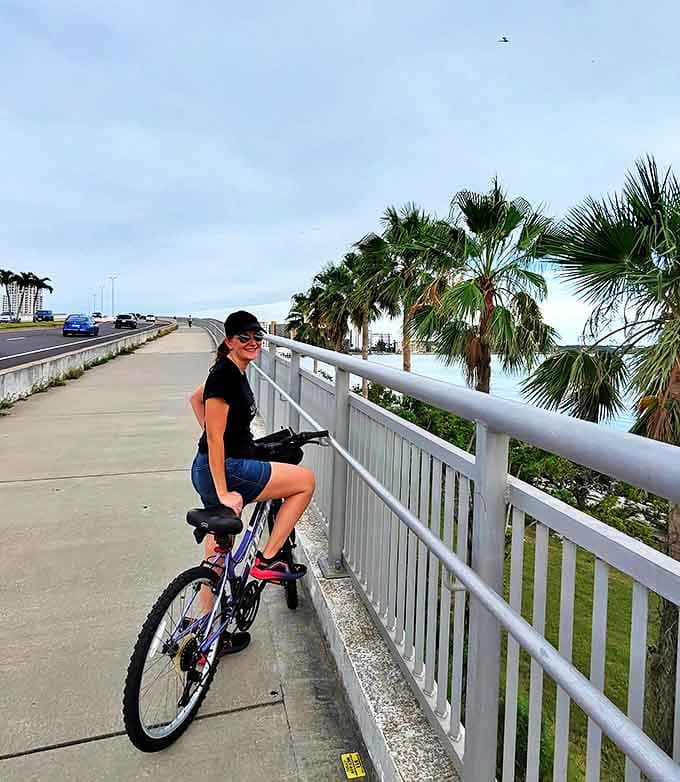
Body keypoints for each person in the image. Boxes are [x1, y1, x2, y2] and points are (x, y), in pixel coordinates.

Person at [189, 310, 315, 584]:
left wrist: (219, 433)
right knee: (305, 481)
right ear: (229, 341)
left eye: (257, 336)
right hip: (228, 469)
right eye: (244, 337)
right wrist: (223, 492)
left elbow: (195, 399)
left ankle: (208, 606)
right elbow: (214, 439)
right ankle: (267, 560)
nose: (253, 342)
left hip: (206, 467)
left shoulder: (228, 369)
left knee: (219, 549)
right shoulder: (226, 376)